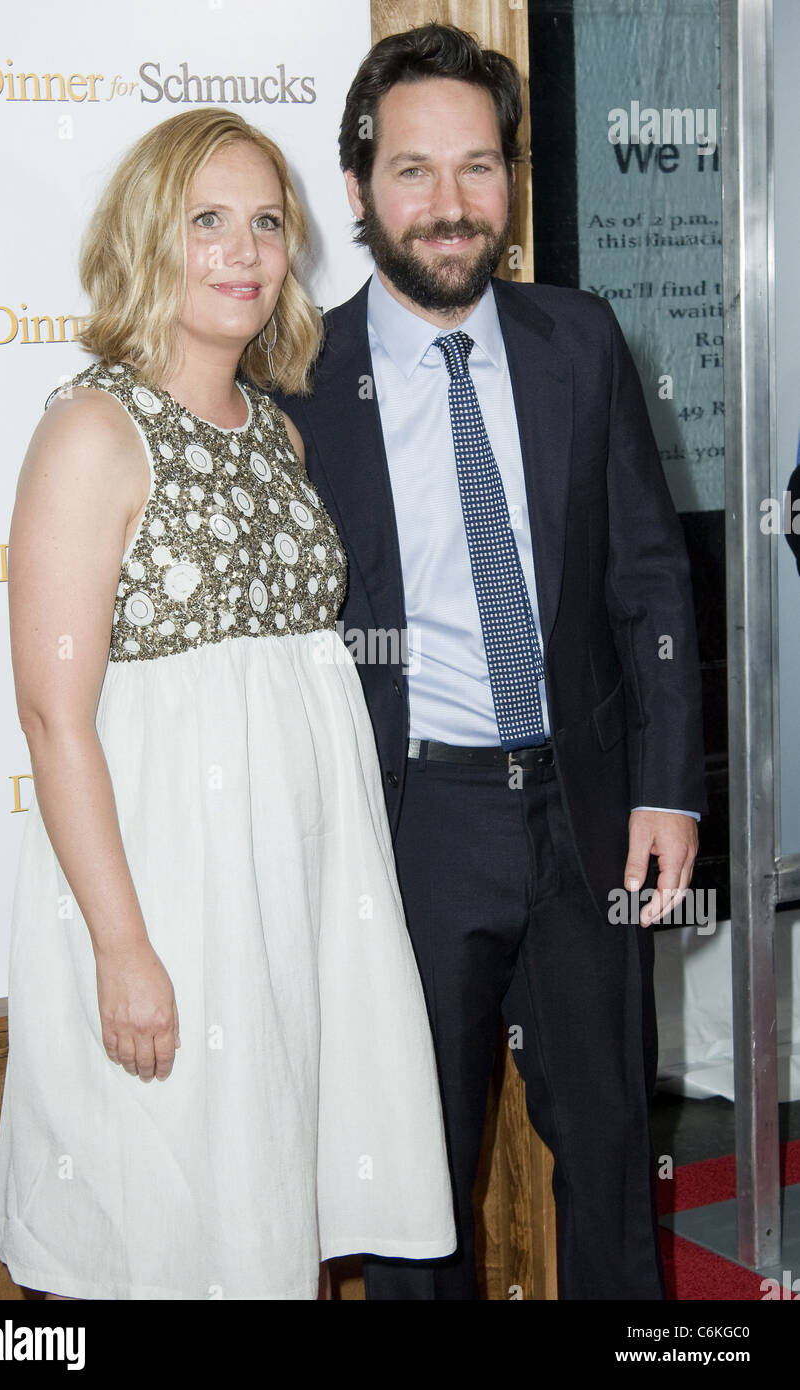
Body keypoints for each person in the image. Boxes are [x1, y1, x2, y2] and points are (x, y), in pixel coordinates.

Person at [0, 107, 455, 1301]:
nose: (245, 251)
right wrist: (123, 946)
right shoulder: (91, 431)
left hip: (285, 890)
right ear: (151, 235)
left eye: (265, 223)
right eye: (209, 221)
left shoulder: (279, 439)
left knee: (262, 1199)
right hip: (164, 891)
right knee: (162, 1214)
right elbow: (55, 718)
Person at [278, 23, 707, 1300]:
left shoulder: (578, 340)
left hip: (588, 816)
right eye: (414, 171)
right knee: (418, 1188)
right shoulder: (298, 381)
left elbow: (646, 581)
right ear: (356, 190)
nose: (451, 204)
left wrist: (667, 786)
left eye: (478, 167)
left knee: (615, 1150)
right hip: (413, 824)